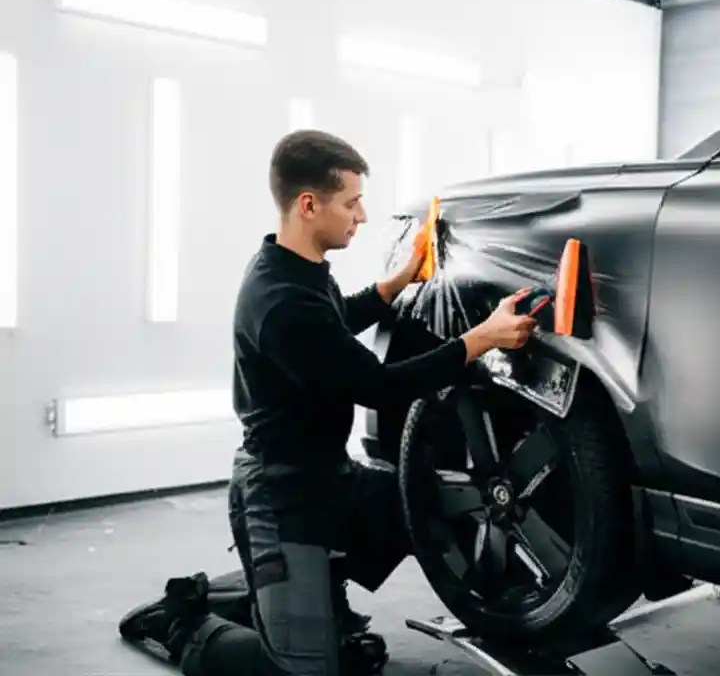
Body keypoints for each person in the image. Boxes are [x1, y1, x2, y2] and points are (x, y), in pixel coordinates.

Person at [151, 129, 538, 675]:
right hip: (282, 497)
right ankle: (187, 621)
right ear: (309, 205)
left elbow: (335, 321)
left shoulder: (297, 267)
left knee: (425, 505)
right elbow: (375, 385)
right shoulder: (280, 301)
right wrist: (481, 339)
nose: (362, 215)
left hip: (330, 475)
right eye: (351, 203)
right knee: (305, 670)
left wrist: (399, 282)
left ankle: (306, 587)